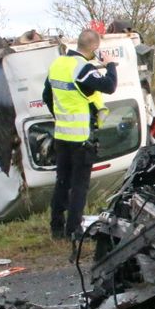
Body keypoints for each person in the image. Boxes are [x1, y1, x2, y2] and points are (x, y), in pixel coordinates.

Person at [42, 29, 118, 242]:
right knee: (79, 186)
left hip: (62, 135)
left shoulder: (57, 64)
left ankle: (56, 227)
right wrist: (110, 65)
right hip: (81, 138)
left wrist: (59, 115)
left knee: (61, 182)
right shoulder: (82, 67)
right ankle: (73, 230)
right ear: (94, 47)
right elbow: (109, 86)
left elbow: (46, 95)